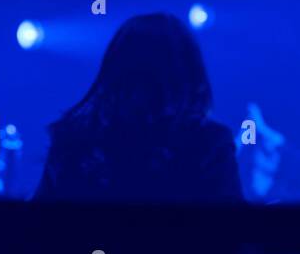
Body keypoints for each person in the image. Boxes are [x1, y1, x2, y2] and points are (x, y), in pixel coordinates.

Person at [34, 13, 243, 202]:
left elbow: (38, 230)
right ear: (189, 72)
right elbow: (231, 233)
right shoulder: (209, 142)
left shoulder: (72, 139)